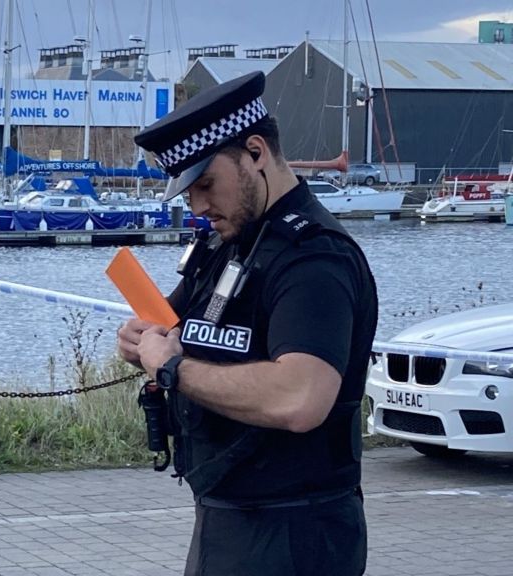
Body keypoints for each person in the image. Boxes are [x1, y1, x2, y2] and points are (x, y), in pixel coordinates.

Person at [117, 71, 377, 576]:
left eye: (206, 184)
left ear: (255, 153)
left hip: (295, 532)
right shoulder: (231, 242)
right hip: (226, 518)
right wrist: (140, 341)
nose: (198, 206)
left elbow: (300, 397)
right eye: (188, 192)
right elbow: (172, 330)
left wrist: (173, 370)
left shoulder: (314, 260)